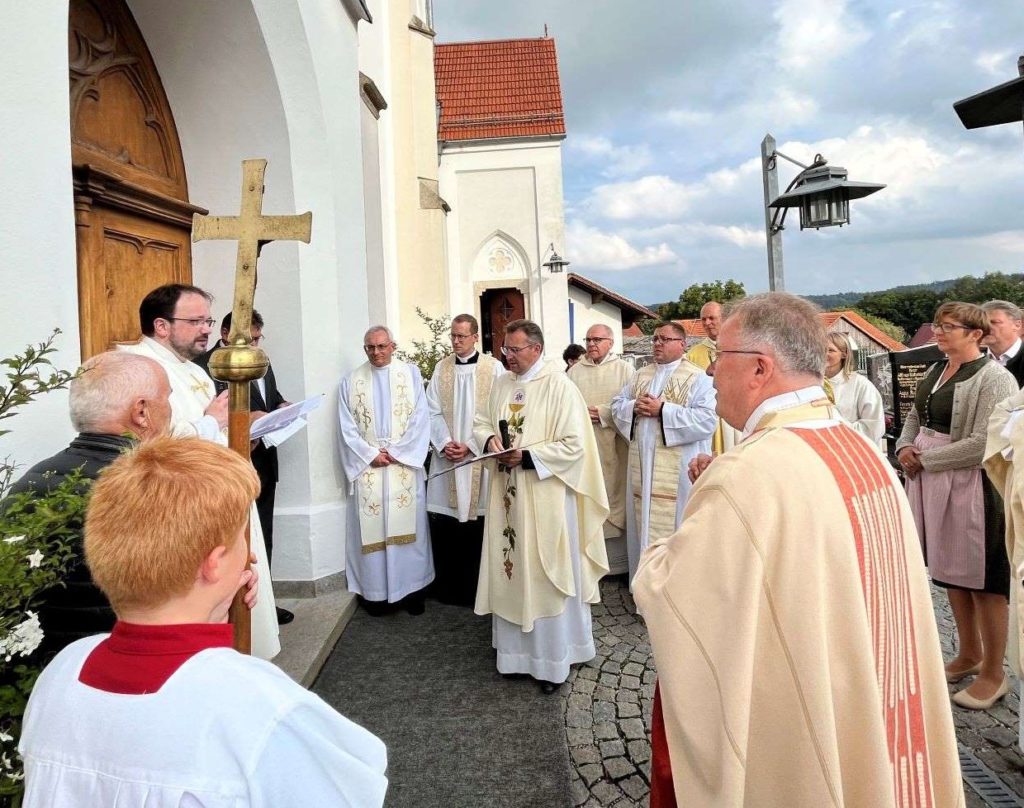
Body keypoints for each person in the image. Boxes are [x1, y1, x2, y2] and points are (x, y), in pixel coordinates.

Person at [634, 292, 964, 808]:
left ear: (760, 368)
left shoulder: (749, 473)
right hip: (869, 695)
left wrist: (662, 548)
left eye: (719, 355)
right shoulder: (858, 447)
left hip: (799, 701)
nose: (712, 371)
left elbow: (677, 595)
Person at [18, 437, 388, 807]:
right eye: (242, 538)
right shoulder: (256, 705)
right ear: (213, 563)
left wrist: (216, 607)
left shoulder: (62, 672)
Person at [119, 283, 279, 659]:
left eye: (207, 320)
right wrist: (211, 422)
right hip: (185, 510)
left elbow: (217, 427)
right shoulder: (139, 367)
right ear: (161, 326)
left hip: (221, 498)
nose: (207, 328)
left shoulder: (194, 370)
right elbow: (154, 446)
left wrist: (239, 433)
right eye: (196, 321)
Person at [473, 319, 609, 694]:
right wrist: (488, 443)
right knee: (513, 569)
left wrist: (528, 456)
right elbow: (481, 420)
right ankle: (515, 657)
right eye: (505, 350)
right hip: (508, 498)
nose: (508, 357)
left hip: (545, 498)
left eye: (514, 351)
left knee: (545, 570)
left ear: (535, 348)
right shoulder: (501, 382)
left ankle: (553, 660)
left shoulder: (559, 387)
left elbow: (575, 445)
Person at [5, 352, 171, 657]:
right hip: (118, 660)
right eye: (167, 398)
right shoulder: (150, 488)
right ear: (142, 412)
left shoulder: (33, 477)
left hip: (42, 666)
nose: (171, 410)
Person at [896, 302, 1017, 710]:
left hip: (974, 486)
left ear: (976, 334)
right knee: (951, 572)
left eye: (948, 327)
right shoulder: (936, 369)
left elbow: (986, 441)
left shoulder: (994, 378)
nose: (938, 332)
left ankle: (994, 673)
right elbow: (915, 414)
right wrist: (904, 446)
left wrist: (927, 459)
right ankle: (969, 652)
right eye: (936, 325)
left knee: (983, 580)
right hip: (934, 479)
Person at [196, 310, 294, 625]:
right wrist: (242, 428)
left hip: (265, 460)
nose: (254, 345)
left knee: (263, 533)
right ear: (226, 334)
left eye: (257, 338)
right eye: (249, 339)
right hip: (231, 465)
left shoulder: (259, 360)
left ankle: (264, 605)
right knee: (237, 539)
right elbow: (210, 417)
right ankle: (235, 607)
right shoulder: (206, 368)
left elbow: (270, 397)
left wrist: (282, 407)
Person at [337, 326, 434, 614]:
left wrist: (399, 452)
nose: (376, 352)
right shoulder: (351, 381)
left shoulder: (410, 374)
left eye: (381, 346)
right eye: (370, 347)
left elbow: (421, 417)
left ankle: (412, 592)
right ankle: (375, 594)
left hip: (402, 464)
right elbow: (346, 427)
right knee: (374, 534)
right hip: (370, 467)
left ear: (392, 345)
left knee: (409, 533)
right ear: (364, 349)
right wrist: (369, 454)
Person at [611, 321, 716, 583]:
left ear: (682, 344)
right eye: (655, 339)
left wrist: (664, 411)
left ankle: (675, 585)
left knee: (677, 522)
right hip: (643, 469)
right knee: (643, 521)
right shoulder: (639, 375)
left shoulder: (699, 378)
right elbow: (617, 406)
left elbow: (707, 420)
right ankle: (643, 583)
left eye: (664, 339)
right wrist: (633, 407)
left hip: (677, 471)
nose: (657, 343)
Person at [425, 314, 504, 606]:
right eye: (453, 336)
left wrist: (472, 446)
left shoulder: (493, 368)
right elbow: (430, 411)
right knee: (447, 523)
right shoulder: (441, 368)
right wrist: (445, 443)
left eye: (462, 336)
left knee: (478, 523)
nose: (456, 342)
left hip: (478, 458)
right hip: (448, 458)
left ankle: (478, 588)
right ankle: (449, 587)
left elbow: (498, 412)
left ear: (475, 336)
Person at [567, 324, 635, 573]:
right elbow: (565, 404)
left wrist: (606, 413)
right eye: (588, 339)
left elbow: (631, 406)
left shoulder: (625, 370)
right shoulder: (574, 372)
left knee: (614, 494)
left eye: (597, 339)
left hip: (614, 447)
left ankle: (618, 564)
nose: (592, 344)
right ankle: (589, 562)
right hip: (585, 447)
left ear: (611, 343)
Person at [685, 300, 742, 455]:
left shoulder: (740, 349)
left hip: (733, 417)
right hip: (704, 418)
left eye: (711, 318)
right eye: (703, 319)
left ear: (723, 318)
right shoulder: (693, 354)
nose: (707, 323)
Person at [824, 332, 885, 444]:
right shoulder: (809, 383)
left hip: (850, 447)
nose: (823, 354)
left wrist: (834, 427)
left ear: (844, 354)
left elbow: (873, 427)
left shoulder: (861, 385)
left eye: (830, 350)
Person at [982, 300, 1024, 386]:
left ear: (1017, 325)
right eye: (982, 322)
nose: (985, 327)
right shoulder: (972, 360)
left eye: (994, 322)